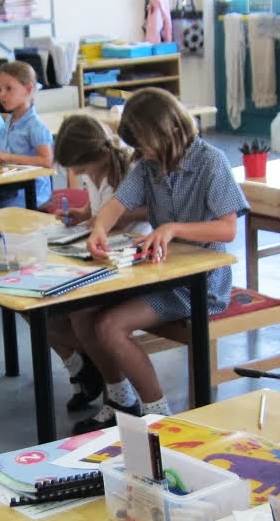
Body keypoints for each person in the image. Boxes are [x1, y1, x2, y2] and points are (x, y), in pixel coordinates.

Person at [52, 88, 248, 432]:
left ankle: (160, 417)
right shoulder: (148, 164)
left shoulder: (210, 162)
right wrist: (99, 227)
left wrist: (172, 228)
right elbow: (117, 205)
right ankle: (120, 399)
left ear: (168, 130)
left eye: (144, 144)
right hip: (160, 272)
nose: (141, 153)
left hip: (200, 282)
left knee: (110, 326)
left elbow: (227, 229)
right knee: (83, 312)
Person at [47, 114, 149, 413]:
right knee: (48, 312)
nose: (79, 174)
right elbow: (98, 207)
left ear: (100, 153)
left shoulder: (128, 170)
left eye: (81, 167)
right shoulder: (96, 171)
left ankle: (119, 395)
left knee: (81, 314)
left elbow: (144, 210)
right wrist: (82, 214)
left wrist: (107, 218)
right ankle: (86, 371)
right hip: (102, 255)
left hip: (132, 260)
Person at [0, 60, 53, 209]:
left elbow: (47, 160)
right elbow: (7, 153)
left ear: (28, 90)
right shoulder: (9, 119)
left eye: (9, 89)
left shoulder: (35, 126)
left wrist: (9, 158)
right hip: (8, 185)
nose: (2, 95)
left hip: (30, 192)